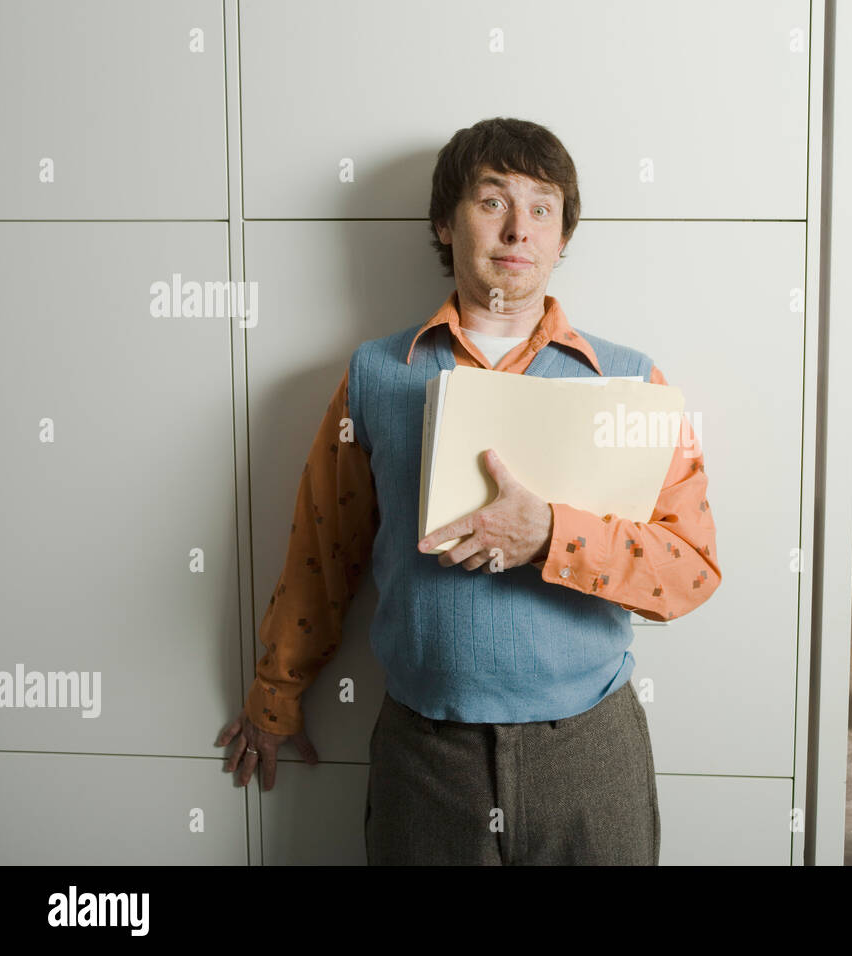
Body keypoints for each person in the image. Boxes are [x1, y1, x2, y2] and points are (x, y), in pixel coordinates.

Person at [215, 117, 722, 863]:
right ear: (444, 224)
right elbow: (324, 551)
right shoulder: (377, 375)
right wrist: (274, 694)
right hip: (425, 757)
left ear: (563, 237)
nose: (519, 228)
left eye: (542, 208)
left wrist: (550, 534)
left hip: (588, 748)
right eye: (493, 201)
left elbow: (690, 569)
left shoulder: (630, 382)